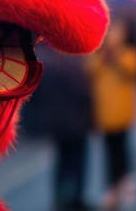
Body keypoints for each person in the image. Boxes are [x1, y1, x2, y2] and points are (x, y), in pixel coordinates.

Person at [21, 43, 93, 210]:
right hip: (76, 121)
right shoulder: (74, 64)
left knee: (62, 160)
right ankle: (73, 199)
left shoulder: (43, 61)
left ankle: (61, 197)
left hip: (56, 121)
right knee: (76, 161)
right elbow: (84, 93)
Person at [86, 17, 136, 210]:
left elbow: (132, 70)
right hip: (104, 113)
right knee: (109, 152)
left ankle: (124, 181)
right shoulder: (99, 55)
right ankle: (112, 186)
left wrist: (116, 56)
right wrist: (104, 56)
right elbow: (90, 71)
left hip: (124, 112)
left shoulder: (130, 53)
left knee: (123, 149)